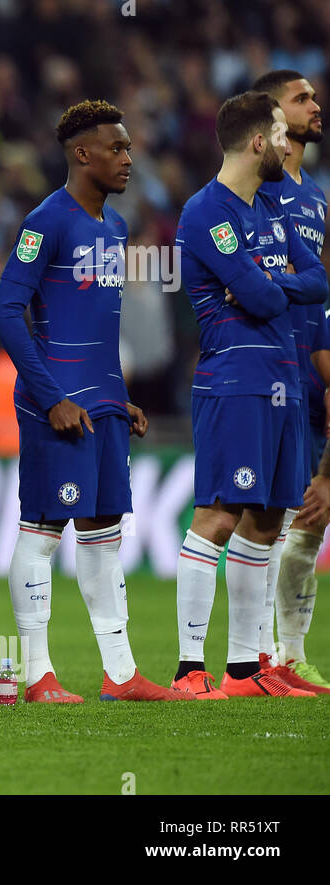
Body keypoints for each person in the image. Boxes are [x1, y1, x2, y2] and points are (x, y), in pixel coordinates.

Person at [0, 100, 191, 702]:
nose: (130, 159)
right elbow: (6, 312)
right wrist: (52, 397)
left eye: (129, 148)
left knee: (105, 532)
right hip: (56, 403)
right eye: (118, 148)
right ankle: (36, 675)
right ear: (82, 154)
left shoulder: (114, 227)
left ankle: (122, 675)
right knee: (44, 530)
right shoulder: (45, 221)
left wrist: (116, 396)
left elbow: (101, 324)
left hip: (100, 400)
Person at [173, 90, 328, 698]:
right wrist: (274, 287)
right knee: (217, 516)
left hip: (286, 376)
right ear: (259, 141)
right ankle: (189, 668)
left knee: (267, 522)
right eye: (281, 135)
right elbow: (265, 297)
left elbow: (315, 281)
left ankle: (243, 670)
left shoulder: (268, 206)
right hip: (235, 379)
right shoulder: (205, 213)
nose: (290, 145)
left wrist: (273, 282)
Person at [250, 70, 330, 694]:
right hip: (266, 369)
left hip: (311, 372)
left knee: (306, 518)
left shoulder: (318, 196)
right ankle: (256, 657)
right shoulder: (255, 189)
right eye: (301, 98)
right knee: (263, 517)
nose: (315, 105)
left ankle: (291, 653)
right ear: (269, 116)